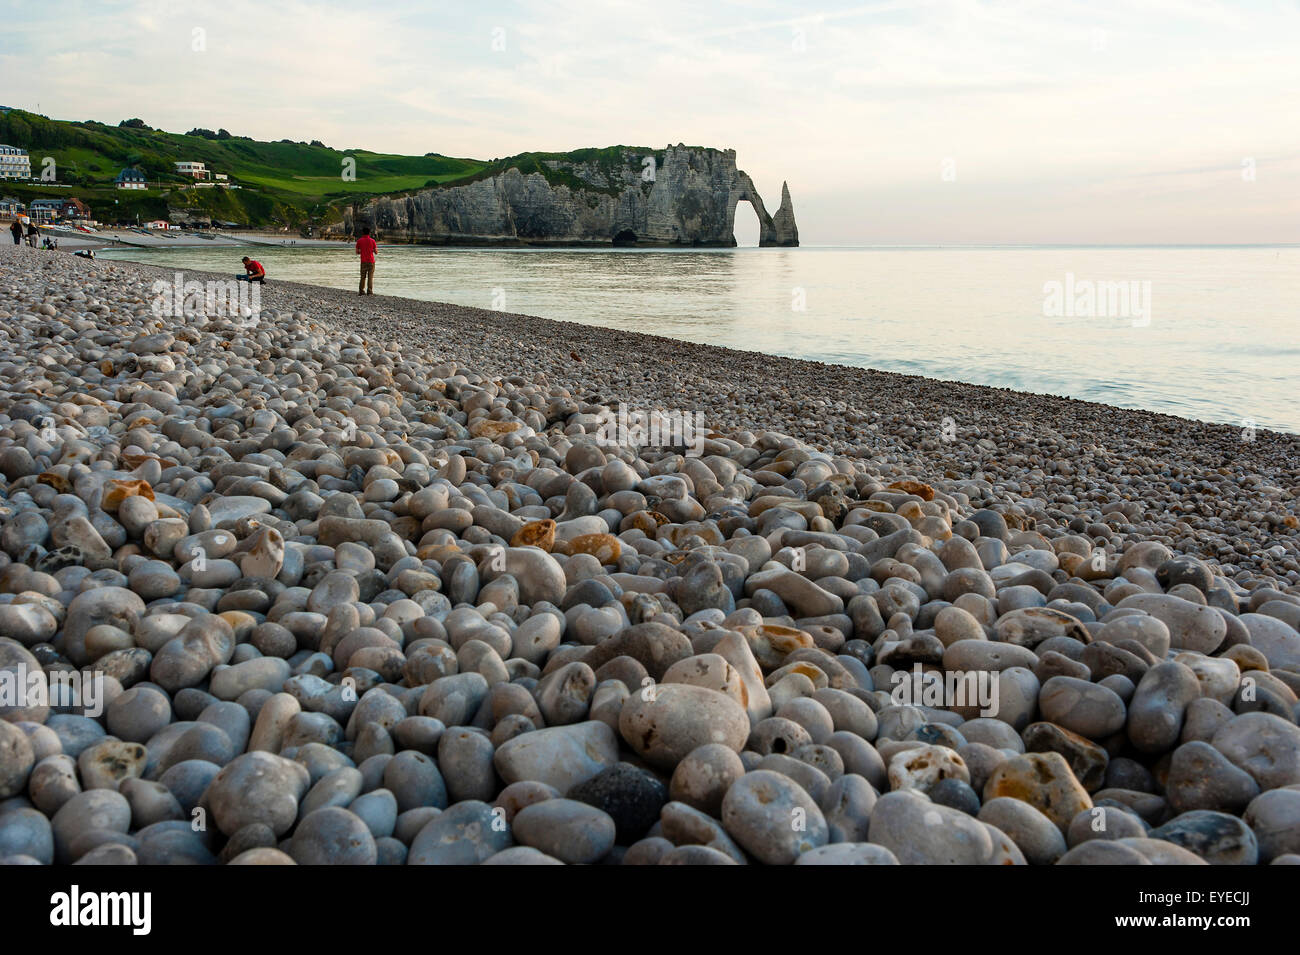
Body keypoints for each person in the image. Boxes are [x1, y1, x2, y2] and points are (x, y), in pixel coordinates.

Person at [355, 226, 377, 295]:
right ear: (369, 233)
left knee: (363, 277)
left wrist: (362, 251)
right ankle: (369, 291)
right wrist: (372, 250)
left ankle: (361, 290)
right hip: (371, 261)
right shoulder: (372, 241)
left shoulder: (359, 241)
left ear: (363, 233)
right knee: (370, 277)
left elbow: (357, 252)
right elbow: (376, 252)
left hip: (363, 261)